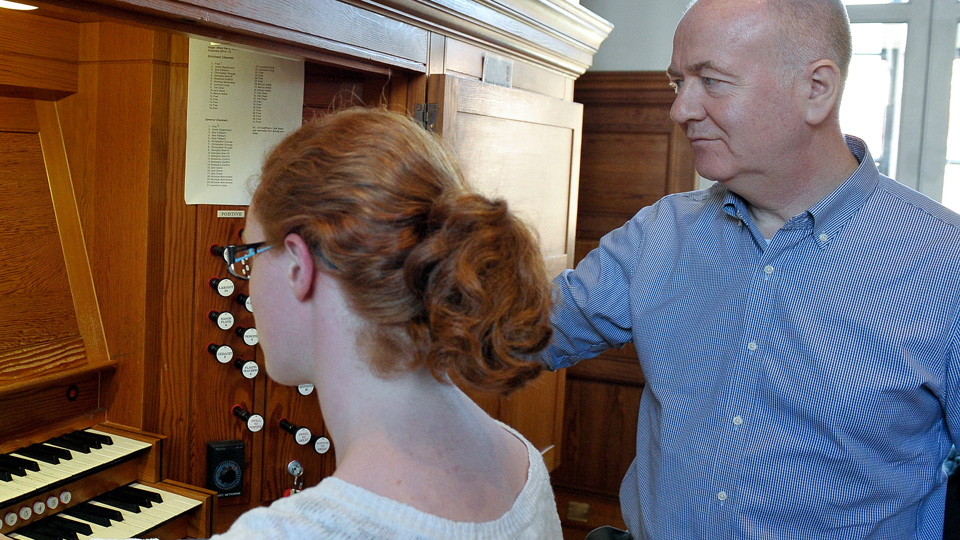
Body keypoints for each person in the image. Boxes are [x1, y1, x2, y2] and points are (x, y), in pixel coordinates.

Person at [0, 107, 562, 540]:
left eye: (247, 256)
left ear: (298, 265)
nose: (245, 284)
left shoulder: (286, 533)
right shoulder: (522, 463)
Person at [544, 0, 960, 539]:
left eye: (712, 81)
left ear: (816, 90)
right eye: (678, 83)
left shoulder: (945, 263)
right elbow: (528, 331)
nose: (680, 110)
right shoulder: (661, 233)